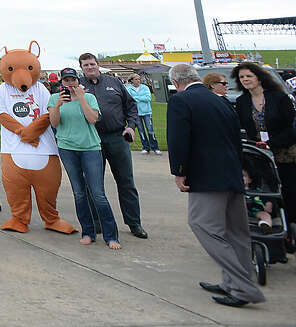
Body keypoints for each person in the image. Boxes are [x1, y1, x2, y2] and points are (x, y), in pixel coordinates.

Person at [166, 62, 265, 308]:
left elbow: (178, 139)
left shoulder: (181, 101)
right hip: (231, 174)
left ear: (177, 83)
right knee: (236, 233)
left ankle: (243, 287)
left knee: (203, 226)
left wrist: (179, 172)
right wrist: (241, 170)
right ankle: (231, 282)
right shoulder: (220, 100)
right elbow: (236, 137)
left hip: (207, 177)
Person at [49, 68, 120, 249]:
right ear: (61, 83)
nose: (70, 84)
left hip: (90, 148)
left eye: (73, 80)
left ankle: (111, 235)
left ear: (78, 81)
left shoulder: (89, 98)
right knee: (79, 193)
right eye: (66, 81)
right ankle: (87, 232)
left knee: (98, 193)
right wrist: (57, 105)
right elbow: (54, 123)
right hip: (67, 148)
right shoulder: (54, 99)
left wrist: (80, 98)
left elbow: (92, 119)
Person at [79, 53, 147, 239]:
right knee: (93, 184)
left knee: (126, 182)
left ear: (98, 65)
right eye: (86, 65)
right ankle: (98, 222)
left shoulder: (114, 83)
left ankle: (134, 222)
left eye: (92, 64)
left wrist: (131, 127)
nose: (90, 67)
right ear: (82, 68)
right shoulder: (78, 87)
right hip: (92, 141)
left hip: (117, 137)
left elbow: (131, 106)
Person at [231, 61, 296, 226]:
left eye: (249, 76)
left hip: (285, 150)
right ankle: (271, 221)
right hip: (258, 153)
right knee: (266, 189)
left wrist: (271, 143)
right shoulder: (242, 101)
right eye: (242, 77)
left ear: (259, 78)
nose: (245, 79)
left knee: (289, 189)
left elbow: (290, 127)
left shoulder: (279, 98)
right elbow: (243, 126)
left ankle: (291, 222)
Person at [126, 74, 159, 155]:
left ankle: (155, 147)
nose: (138, 81)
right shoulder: (128, 89)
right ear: (132, 80)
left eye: (139, 79)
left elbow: (148, 98)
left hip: (147, 112)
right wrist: (140, 98)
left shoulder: (145, 87)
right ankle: (145, 147)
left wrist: (136, 98)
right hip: (136, 113)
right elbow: (129, 99)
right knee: (141, 131)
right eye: (136, 79)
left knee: (150, 130)